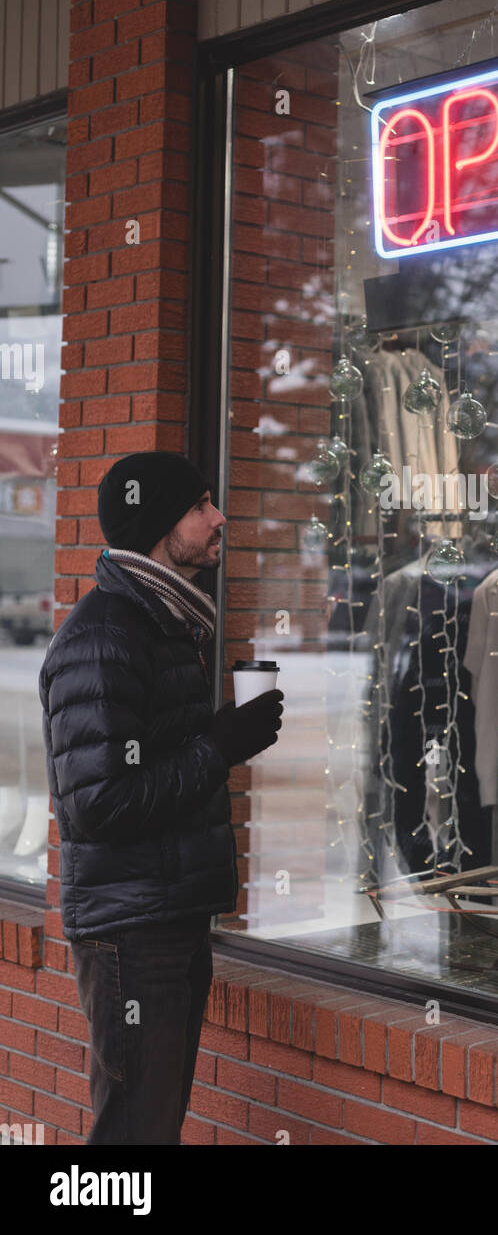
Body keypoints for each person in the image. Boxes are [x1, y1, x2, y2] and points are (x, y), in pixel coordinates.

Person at [38, 451, 284, 1145]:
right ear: (156, 522)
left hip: (163, 915)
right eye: (201, 505)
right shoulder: (105, 636)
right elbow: (100, 803)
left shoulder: (164, 624)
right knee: (134, 1133)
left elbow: (138, 763)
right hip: (130, 932)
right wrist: (219, 748)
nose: (218, 518)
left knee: (152, 1124)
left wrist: (215, 737)